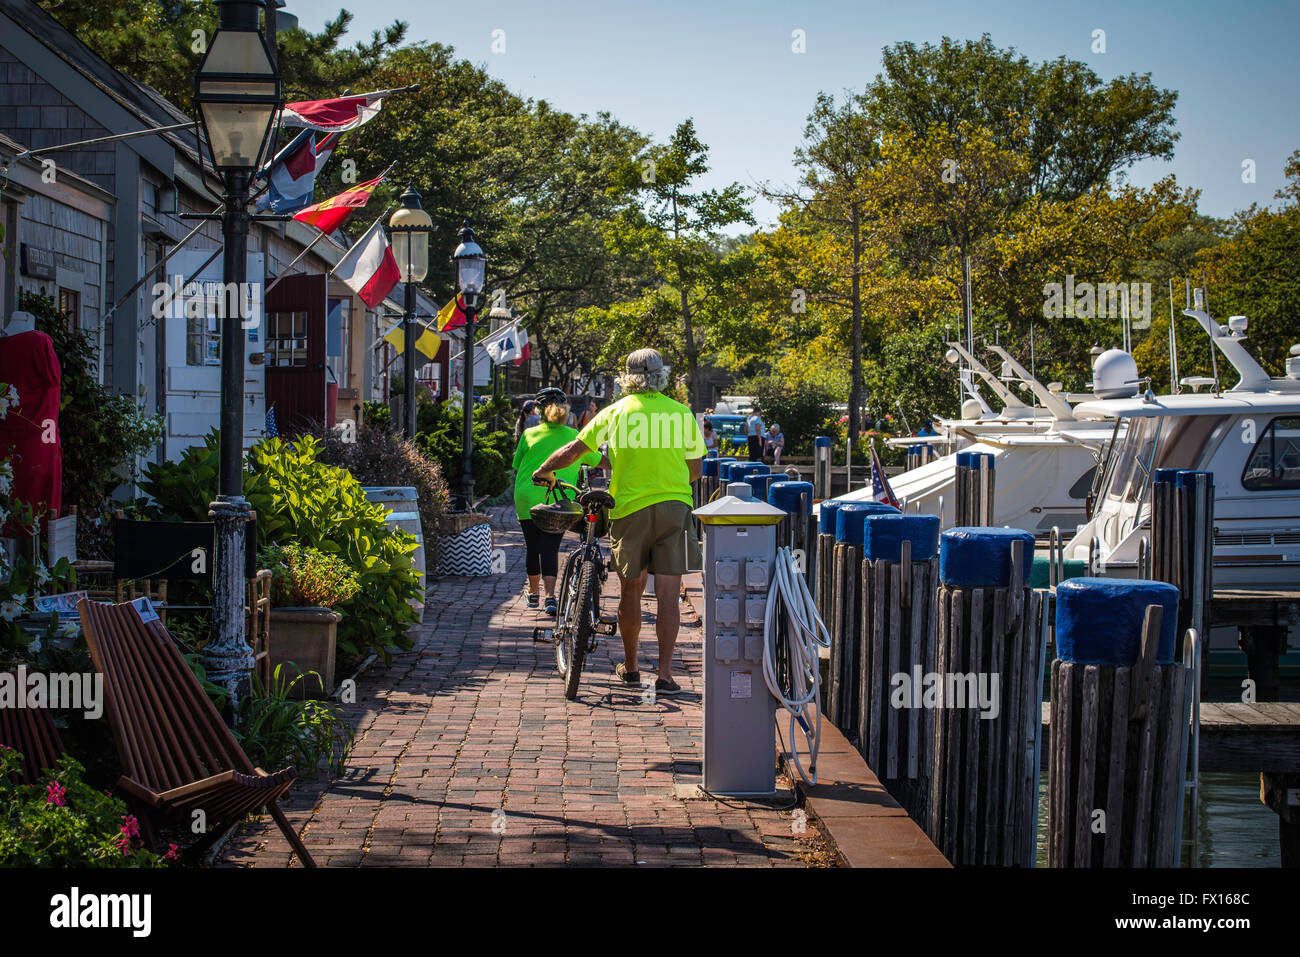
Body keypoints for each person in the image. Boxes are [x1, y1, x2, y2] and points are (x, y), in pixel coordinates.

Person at [533, 348, 705, 695]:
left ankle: (632, 667)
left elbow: (574, 450)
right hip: (674, 507)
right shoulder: (682, 413)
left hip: (629, 509)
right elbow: (697, 469)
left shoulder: (616, 411)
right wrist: (667, 486)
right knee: (669, 596)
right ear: (661, 376)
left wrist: (545, 469)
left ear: (627, 378)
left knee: (631, 589)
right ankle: (666, 675)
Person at [512, 389, 601, 615]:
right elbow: (597, 459)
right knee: (550, 546)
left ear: (539, 412)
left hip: (526, 494)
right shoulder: (574, 436)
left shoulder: (528, 434)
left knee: (532, 546)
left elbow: (517, 465)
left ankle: (533, 594)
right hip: (558, 498)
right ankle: (550, 598)